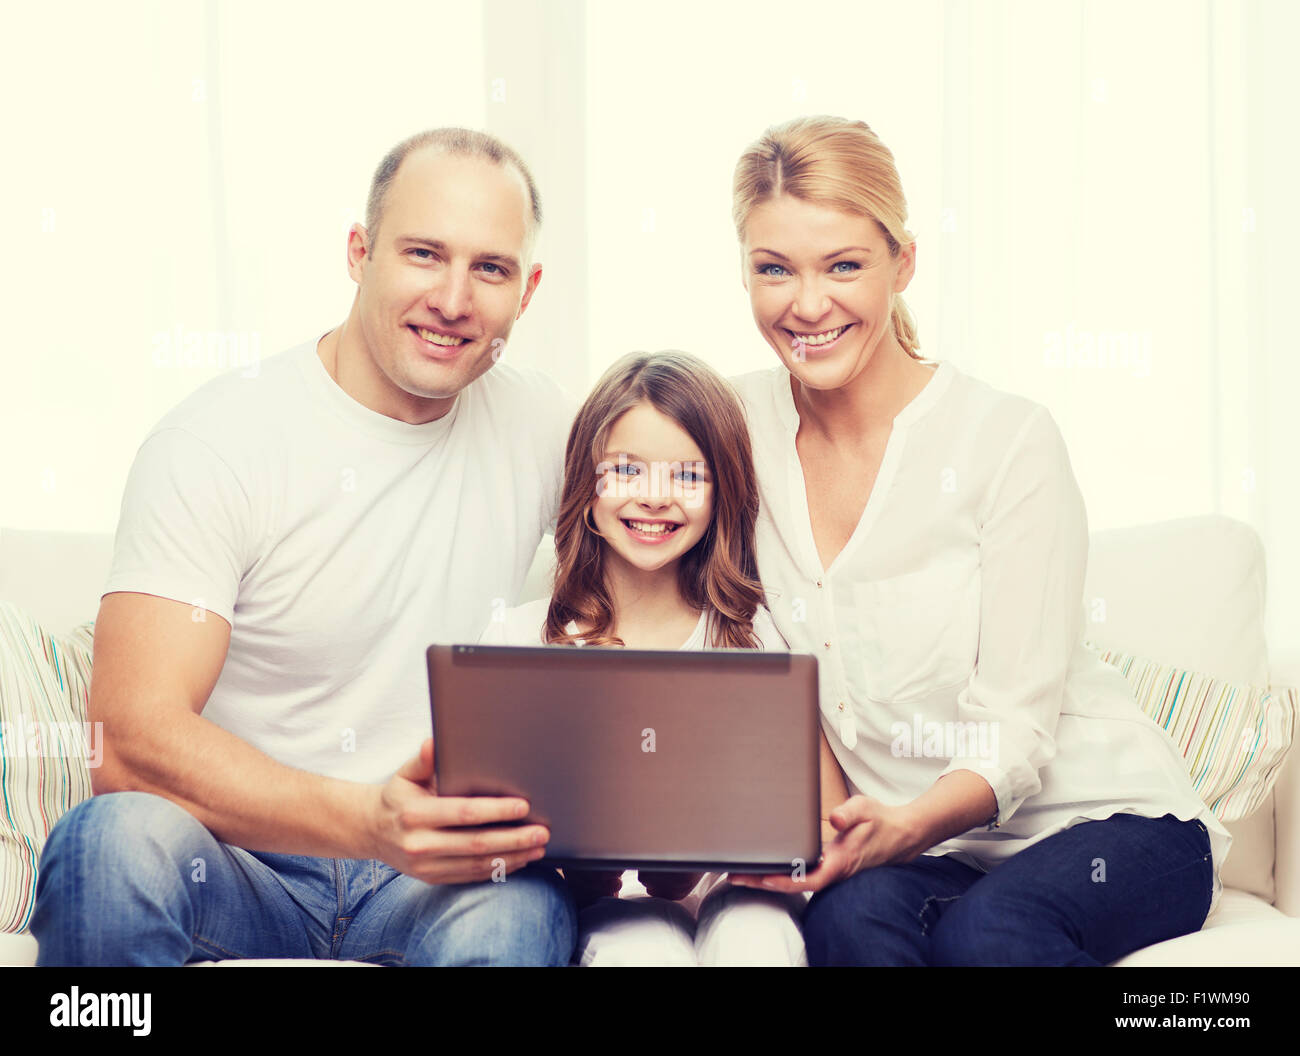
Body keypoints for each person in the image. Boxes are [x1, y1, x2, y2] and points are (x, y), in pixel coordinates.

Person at [30, 128, 580, 966]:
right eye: (424, 254)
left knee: (521, 908)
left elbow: (668, 576)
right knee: (107, 843)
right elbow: (129, 741)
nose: (453, 299)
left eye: (491, 269)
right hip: (239, 859)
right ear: (359, 252)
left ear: (528, 291)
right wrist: (368, 822)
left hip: (433, 879)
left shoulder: (544, 425)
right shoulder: (215, 442)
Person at [723, 115, 1231, 966]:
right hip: (931, 851)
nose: (807, 305)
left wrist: (903, 827)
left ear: (903, 265)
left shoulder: (1006, 440)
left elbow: (1016, 728)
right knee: (845, 924)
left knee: (988, 933)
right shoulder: (731, 431)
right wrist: (841, 831)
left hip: (1112, 823)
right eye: (774, 269)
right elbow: (751, 657)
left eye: (844, 265)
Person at [477, 351, 850, 966]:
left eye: (687, 476)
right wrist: (581, 873)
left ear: (723, 492)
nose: (654, 498)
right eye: (626, 470)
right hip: (605, 907)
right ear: (586, 488)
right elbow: (488, 837)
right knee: (641, 946)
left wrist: (709, 856)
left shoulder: (756, 635)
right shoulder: (522, 641)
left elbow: (828, 823)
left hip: (740, 892)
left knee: (756, 936)